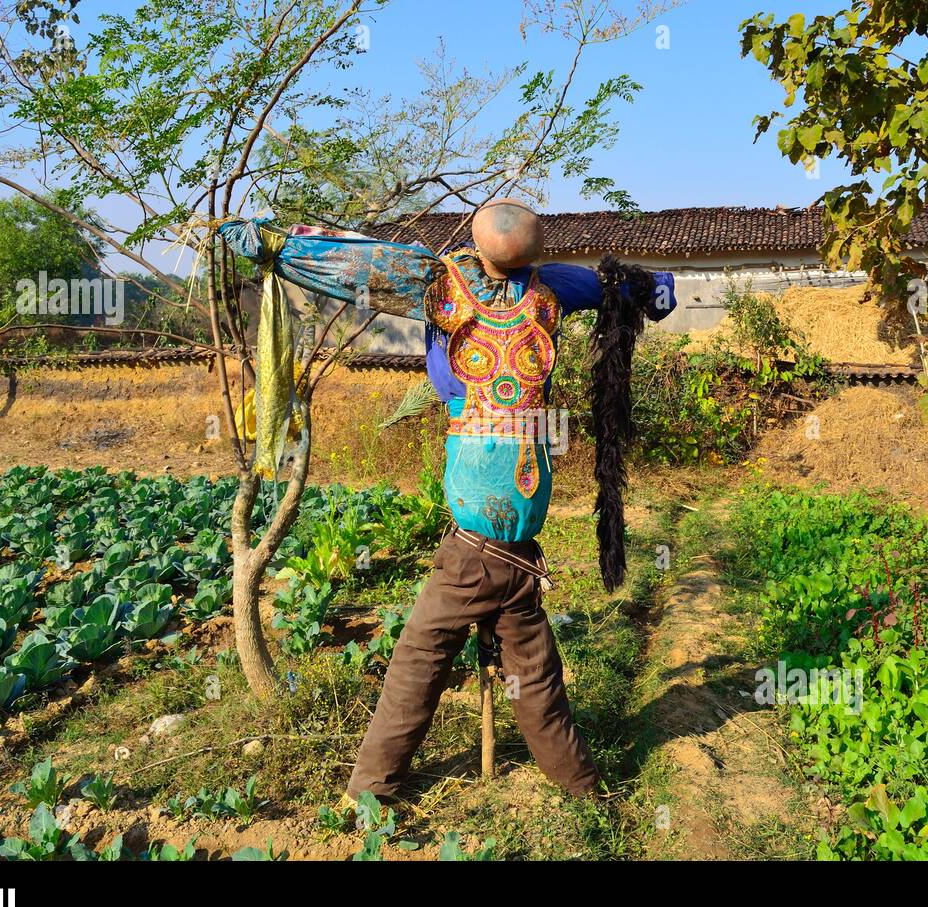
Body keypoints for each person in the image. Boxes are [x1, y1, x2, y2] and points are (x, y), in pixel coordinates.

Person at [219, 199, 676, 802]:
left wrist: (263, 244)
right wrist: (658, 285)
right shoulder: (551, 290)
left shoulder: (439, 280)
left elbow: (348, 263)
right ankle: (584, 790)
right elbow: (638, 291)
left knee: (418, 662)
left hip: (474, 543)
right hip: (520, 529)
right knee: (534, 675)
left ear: (478, 246)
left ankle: (370, 792)